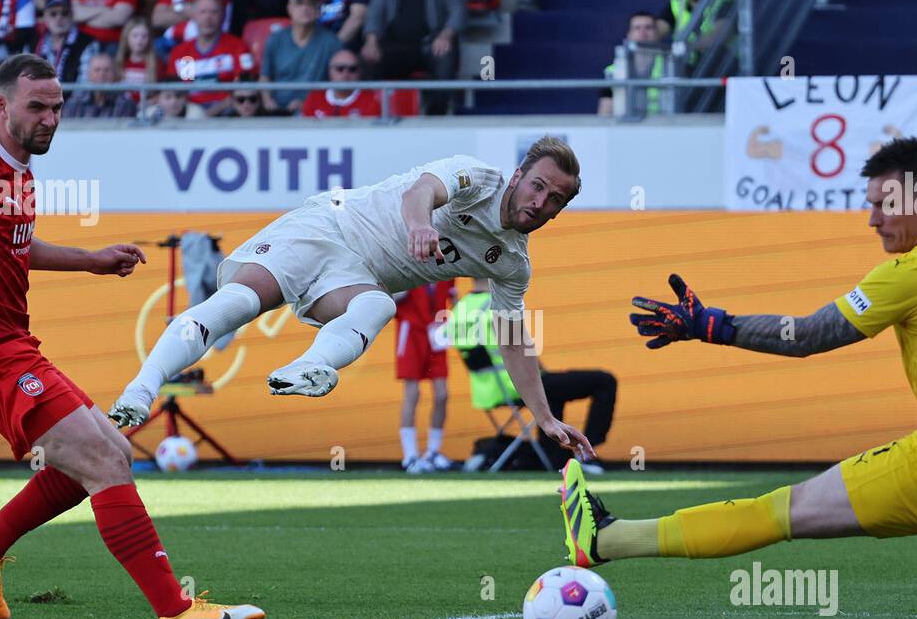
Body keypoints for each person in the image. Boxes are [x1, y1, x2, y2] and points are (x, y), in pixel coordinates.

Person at [559, 137, 917, 619]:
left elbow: (809, 335)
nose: (873, 220)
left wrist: (708, 324)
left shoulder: (914, 271)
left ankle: (607, 539)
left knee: (779, 511)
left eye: (886, 205)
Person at [0, 53, 263, 619]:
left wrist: (91, 262)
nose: (50, 118)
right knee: (103, 460)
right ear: (0, 106)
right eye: (37, 107)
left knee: (112, 455)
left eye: (57, 107)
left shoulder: (19, 168)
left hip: (12, 346)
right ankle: (176, 608)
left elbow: (15, 246)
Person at [110, 137, 597, 470]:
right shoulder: (476, 178)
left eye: (556, 199)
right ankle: (141, 388)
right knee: (239, 302)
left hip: (353, 276)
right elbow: (420, 192)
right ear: (517, 176)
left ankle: (309, 368)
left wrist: (545, 417)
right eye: (538, 185)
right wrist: (421, 224)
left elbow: (513, 341)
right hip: (327, 227)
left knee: (377, 306)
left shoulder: (512, 262)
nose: (541, 202)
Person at [449, 276, 615, 472]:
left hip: (486, 390)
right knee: (604, 381)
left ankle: (554, 456)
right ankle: (587, 453)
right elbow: (519, 349)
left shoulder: (459, 308)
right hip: (515, 385)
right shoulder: (496, 304)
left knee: (553, 391)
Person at [361, 0, 465, 115]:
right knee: (367, 58)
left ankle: (437, 115)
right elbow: (375, 12)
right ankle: (373, 113)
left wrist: (446, 35)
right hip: (396, 45)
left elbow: (457, 10)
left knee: (446, 55)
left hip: (431, 43)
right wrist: (371, 40)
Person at [394, 280, 455, 473]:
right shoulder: (406, 261)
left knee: (442, 395)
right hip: (411, 330)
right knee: (412, 394)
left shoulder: (446, 264)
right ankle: (410, 456)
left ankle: (433, 452)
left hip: (437, 332)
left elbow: (453, 297)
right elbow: (392, 297)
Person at [164, 0, 255, 114]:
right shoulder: (181, 52)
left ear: (223, 16)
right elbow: (178, 90)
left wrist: (211, 112)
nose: (208, 18)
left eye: (214, 12)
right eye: (202, 12)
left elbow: (244, 88)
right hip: (189, 113)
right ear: (193, 16)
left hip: (226, 111)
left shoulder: (237, 46)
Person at [259, 0, 339, 113]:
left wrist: (309, 103)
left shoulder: (331, 42)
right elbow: (265, 76)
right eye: (300, 3)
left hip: (315, 110)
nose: (305, 8)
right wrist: (267, 100)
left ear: (319, 11)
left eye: (311, 4)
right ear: (289, 8)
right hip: (277, 110)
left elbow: (338, 81)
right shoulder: (275, 39)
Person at [599, 10, 665, 117]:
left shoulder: (671, 66)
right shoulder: (611, 72)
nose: (643, 32)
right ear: (629, 34)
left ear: (656, 33)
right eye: (637, 28)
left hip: (663, 127)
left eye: (648, 27)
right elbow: (604, 113)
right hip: (624, 129)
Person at [33, 0, 100, 85]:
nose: (59, 18)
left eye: (64, 13)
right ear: (45, 17)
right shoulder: (35, 42)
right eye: (53, 14)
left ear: (72, 16)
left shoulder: (86, 42)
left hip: (75, 99)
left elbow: (85, 83)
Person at [300, 47, 381, 116]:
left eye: (352, 69)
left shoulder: (371, 99)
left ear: (359, 73)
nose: (345, 74)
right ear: (329, 71)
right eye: (340, 68)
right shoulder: (314, 97)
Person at [64, 49, 136, 116]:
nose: (102, 74)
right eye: (97, 70)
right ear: (89, 74)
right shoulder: (75, 103)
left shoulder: (126, 104)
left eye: (106, 70)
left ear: (114, 74)